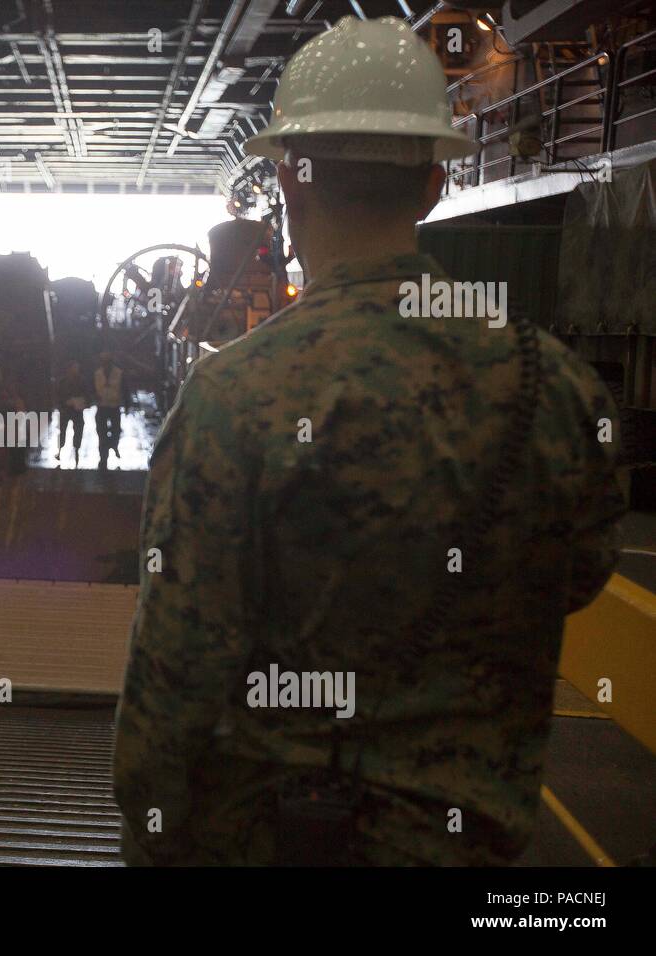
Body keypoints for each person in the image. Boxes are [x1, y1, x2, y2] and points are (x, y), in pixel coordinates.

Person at [113, 15, 625, 866]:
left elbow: (178, 667)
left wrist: (149, 823)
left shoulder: (231, 397)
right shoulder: (559, 385)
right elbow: (577, 574)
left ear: (291, 183)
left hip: (270, 844)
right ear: (432, 187)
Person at [93, 352, 124, 469]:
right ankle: (103, 456)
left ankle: (113, 444)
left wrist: (126, 404)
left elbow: (124, 388)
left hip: (114, 406)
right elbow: (93, 388)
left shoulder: (119, 373)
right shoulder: (98, 374)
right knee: (101, 432)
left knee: (116, 430)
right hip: (102, 406)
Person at [56, 360, 88, 463]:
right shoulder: (63, 382)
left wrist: (80, 402)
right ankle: (61, 449)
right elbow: (58, 395)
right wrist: (64, 403)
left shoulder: (82, 381)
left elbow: (86, 395)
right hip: (66, 410)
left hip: (77, 410)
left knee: (78, 430)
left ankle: (76, 449)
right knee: (63, 431)